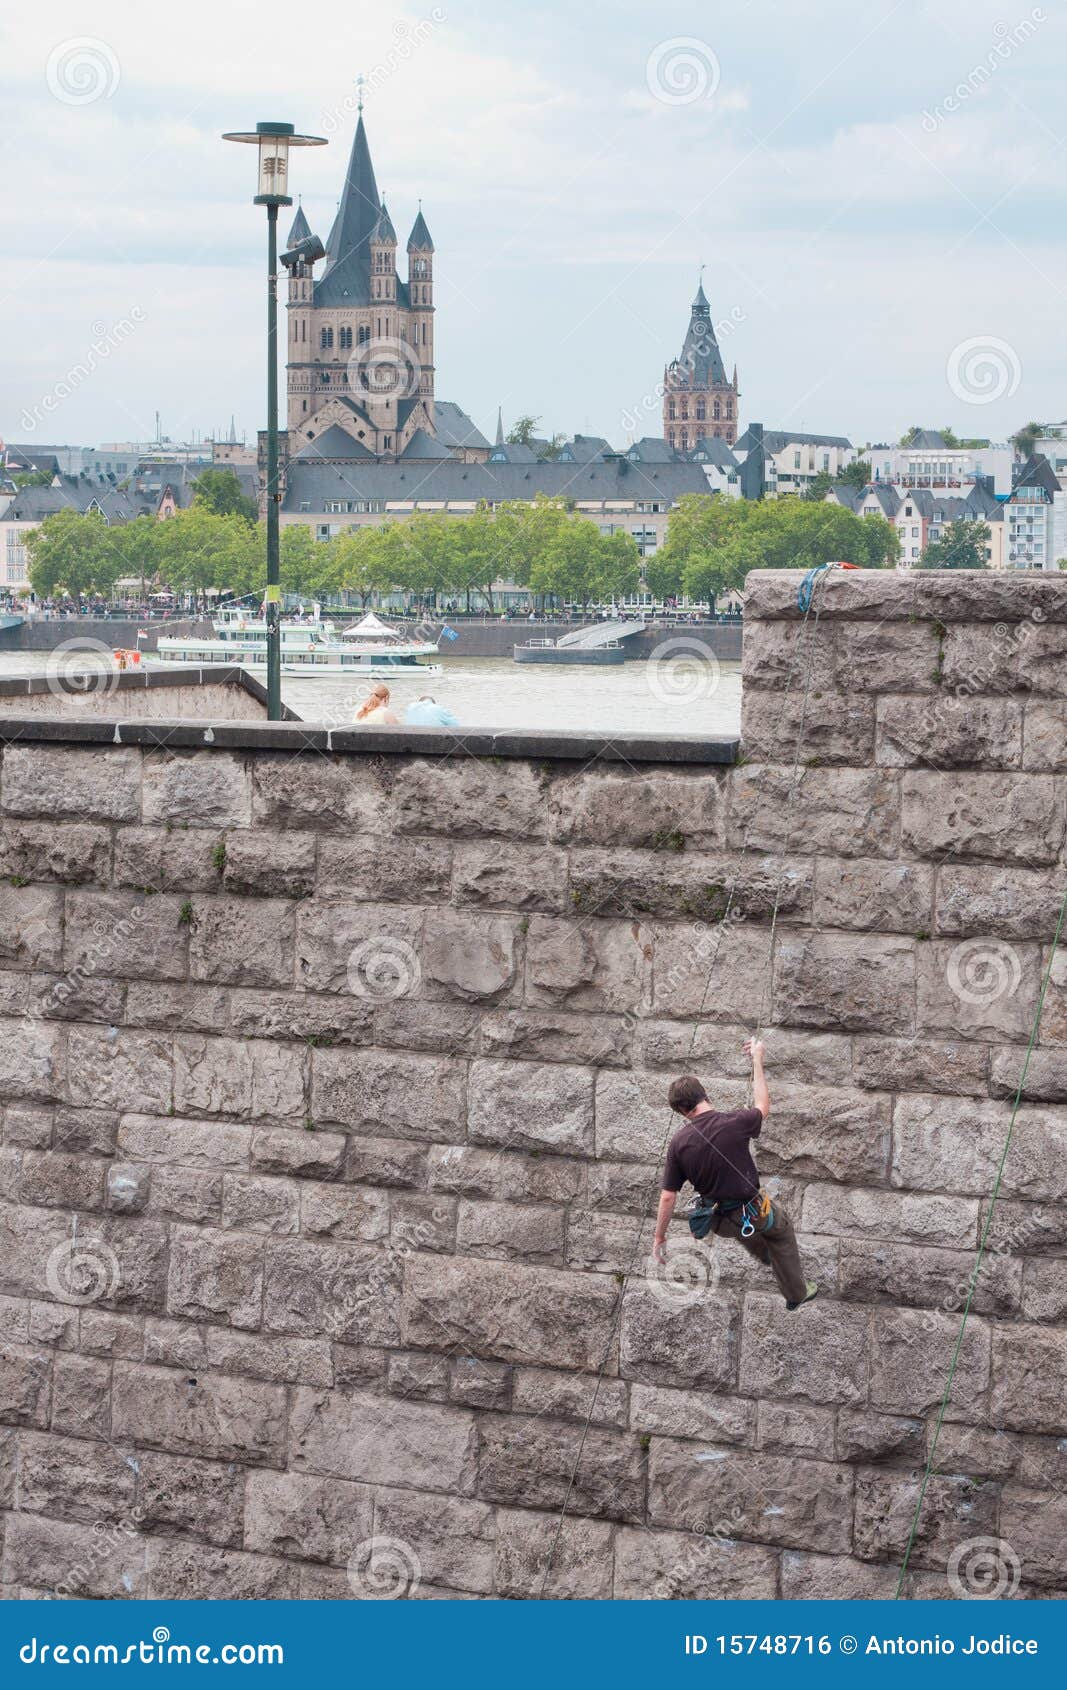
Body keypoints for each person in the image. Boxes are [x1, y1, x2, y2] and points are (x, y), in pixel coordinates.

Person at [652, 1039, 817, 1310]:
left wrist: (659, 1237)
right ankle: (796, 1293)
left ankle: (765, 1253)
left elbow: (668, 1197)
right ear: (705, 1096)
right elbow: (763, 1104)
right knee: (781, 1230)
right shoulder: (735, 1122)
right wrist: (757, 1059)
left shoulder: (678, 1143)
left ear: (682, 1110)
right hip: (751, 1214)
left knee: (748, 1228)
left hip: (719, 1223)